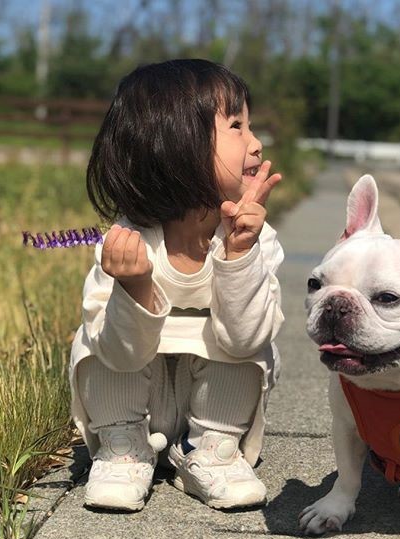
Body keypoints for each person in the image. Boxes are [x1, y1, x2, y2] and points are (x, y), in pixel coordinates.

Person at [69, 59, 284, 512]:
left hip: (213, 409)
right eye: (237, 126)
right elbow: (118, 354)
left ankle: (212, 452)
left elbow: (247, 340)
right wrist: (134, 286)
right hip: (134, 404)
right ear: (176, 143)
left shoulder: (255, 239)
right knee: (95, 337)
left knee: (251, 339)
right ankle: (122, 449)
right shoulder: (128, 242)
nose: (256, 142)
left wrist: (239, 256)